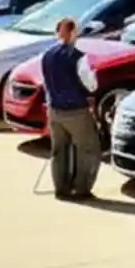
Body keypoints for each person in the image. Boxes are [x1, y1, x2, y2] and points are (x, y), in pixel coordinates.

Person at [41, 18, 101, 201]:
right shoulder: (78, 57)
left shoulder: (47, 55)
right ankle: (81, 188)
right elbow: (91, 85)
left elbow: (46, 83)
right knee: (88, 149)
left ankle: (61, 188)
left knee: (59, 150)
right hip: (76, 110)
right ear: (73, 33)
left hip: (54, 110)